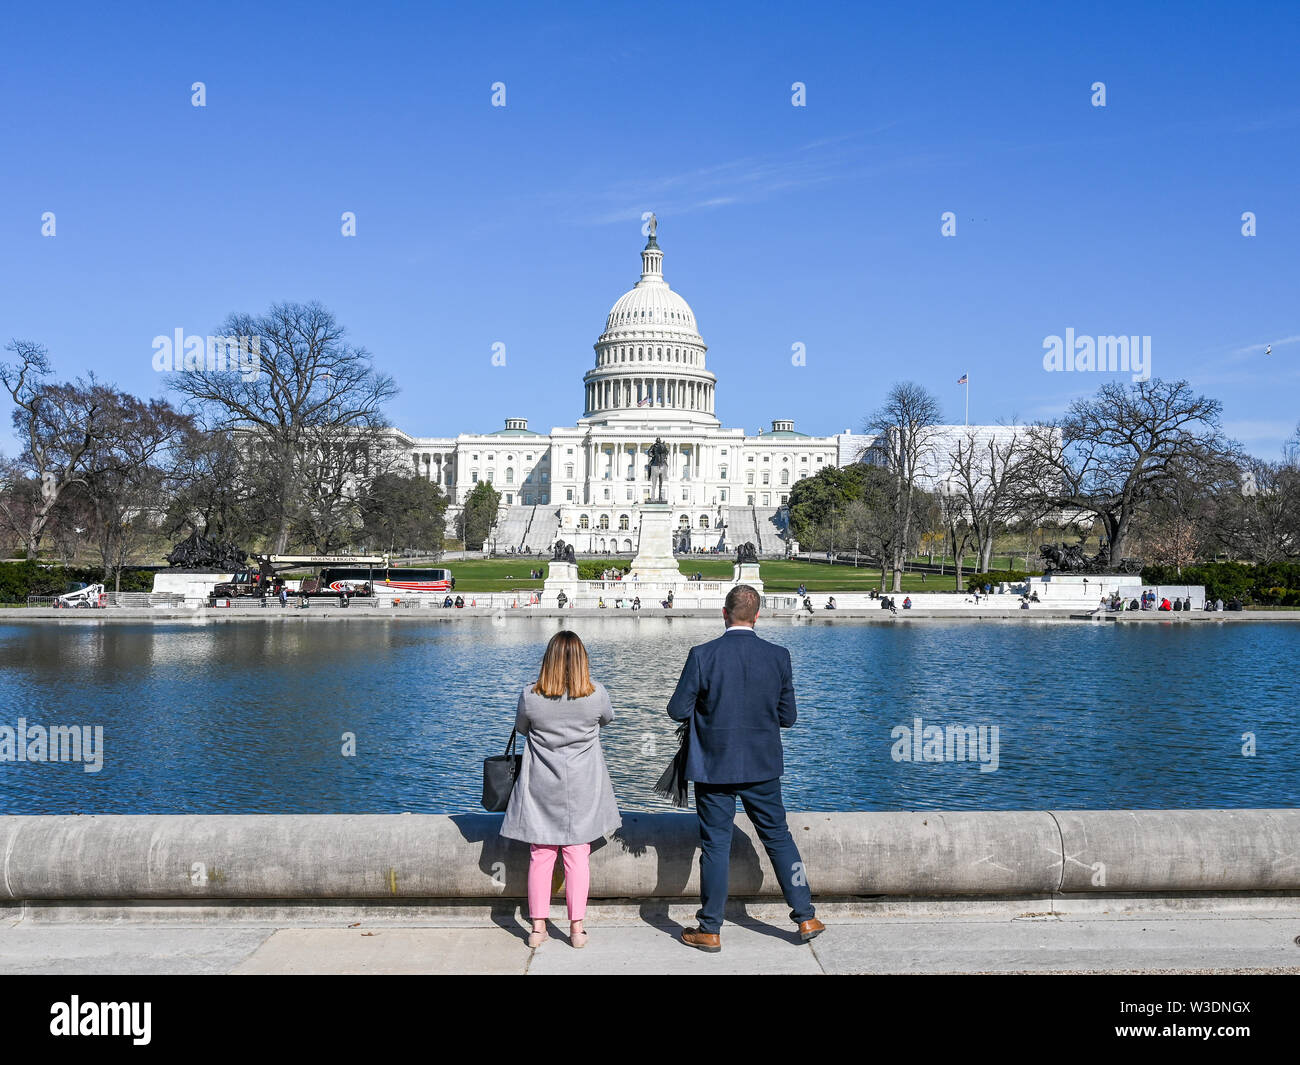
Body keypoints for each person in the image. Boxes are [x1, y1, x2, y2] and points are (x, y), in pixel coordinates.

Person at [666, 585, 822, 951]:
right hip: (762, 764)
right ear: (757, 616)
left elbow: (676, 710)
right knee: (779, 839)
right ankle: (806, 915)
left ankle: (710, 928)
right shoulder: (778, 656)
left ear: (724, 613)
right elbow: (789, 718)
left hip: (713, 766)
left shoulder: (703, 655)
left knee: (715, 847)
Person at [500, 631, 622, 950]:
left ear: (548, 660)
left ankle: (537, 928)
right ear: (583, 661)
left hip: (541, 784)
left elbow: (522, 728)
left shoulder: (530, 695)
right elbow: (607, 719)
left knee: (541, 855)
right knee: (577, 854)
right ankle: (577, 928)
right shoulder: (596, 694)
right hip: (583, 785)